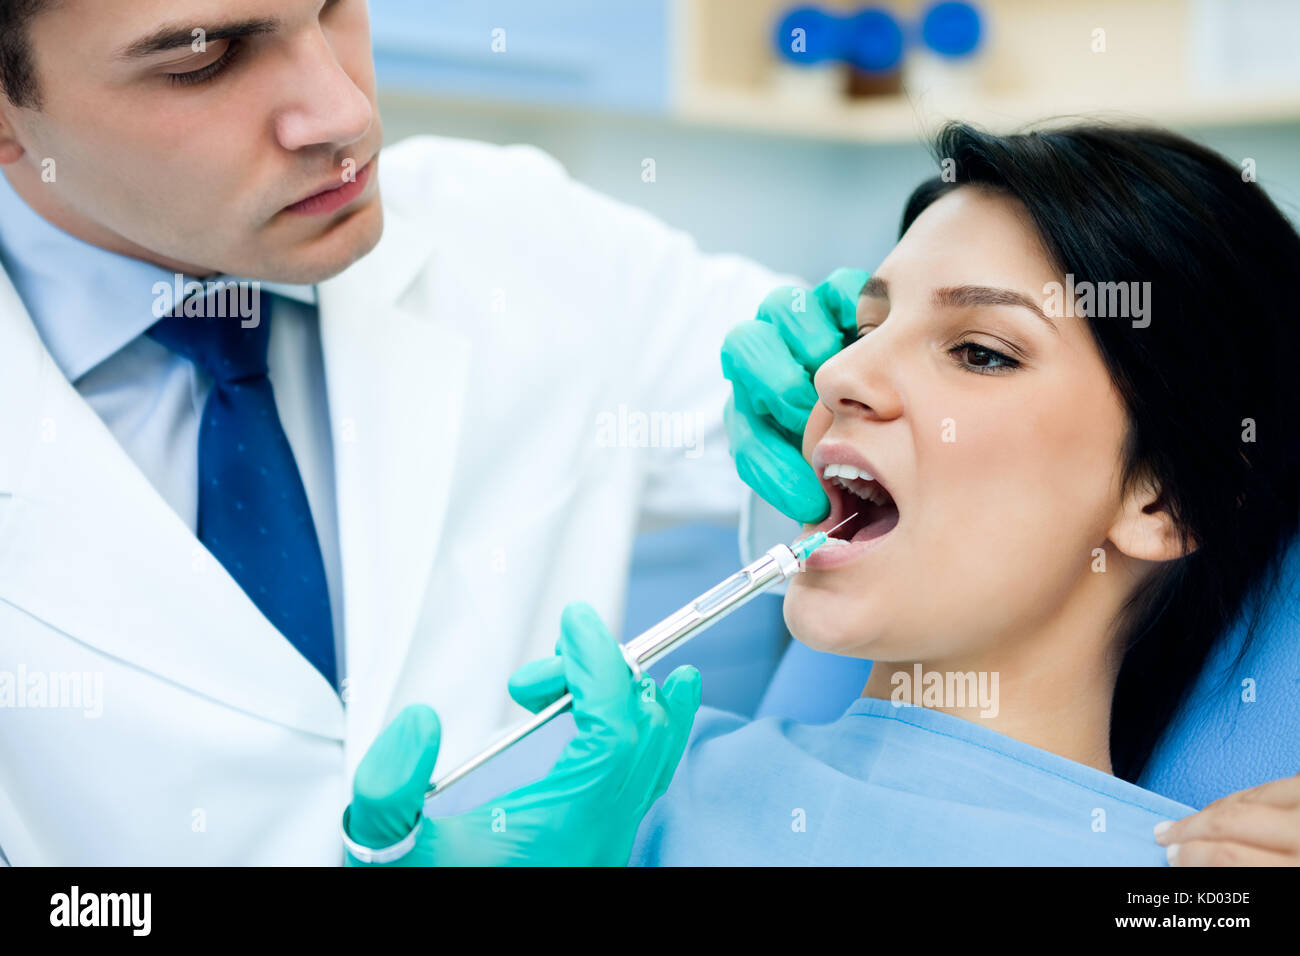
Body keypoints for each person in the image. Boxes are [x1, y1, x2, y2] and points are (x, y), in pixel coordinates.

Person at [345, 121, 1300, 866]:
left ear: (1164, 499)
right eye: (864, 328)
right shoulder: (598, 799)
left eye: (979, 351)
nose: (841, 377)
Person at [0, 0, 799, 864]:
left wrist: (851, 376)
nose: (347, 113)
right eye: (205, 59)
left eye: (336, 8)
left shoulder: (519, 234)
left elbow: (893, 422)